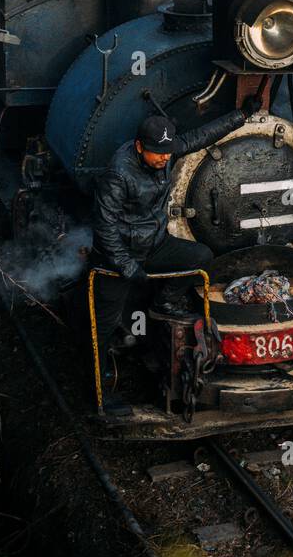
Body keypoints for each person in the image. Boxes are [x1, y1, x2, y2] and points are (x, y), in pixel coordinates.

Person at [89, 101, 259, 416]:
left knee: (201, 256)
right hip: (117, 258)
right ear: (139, 147)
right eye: (158, 154)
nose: (165, 159)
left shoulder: (165, 152)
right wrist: (127, 267)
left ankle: (164, 302)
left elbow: (199, 137)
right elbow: (104, 228)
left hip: (154, 244)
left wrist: (241, 116)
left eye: (167, 153)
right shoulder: (118, 174)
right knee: (102, 327)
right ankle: (99, 395)